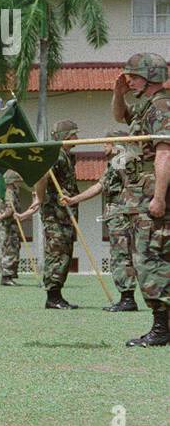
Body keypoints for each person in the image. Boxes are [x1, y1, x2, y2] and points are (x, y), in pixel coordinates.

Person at [111, 53, 170, 346]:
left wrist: (158, 198)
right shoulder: (146, 106)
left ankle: (161, 330)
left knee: (150, 261)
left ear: (149, 77)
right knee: (149, 259)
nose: (128, 79)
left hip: (151, 197)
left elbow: (164, 154)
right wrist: (118, 92)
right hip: (140, 196)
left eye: (133, 76)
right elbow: (119, 116)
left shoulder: (160, 107)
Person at [62, 127, 138, 312]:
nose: (103, 146)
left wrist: (129, 209)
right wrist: (74, 200)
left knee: (122, 256)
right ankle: (125, 297)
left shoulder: (121, 160)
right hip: (116, 215)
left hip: (122, 215)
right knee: (120, 255)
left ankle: (128, 299)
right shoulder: (114, 162)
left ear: (115, 144)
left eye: (106, 143)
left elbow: (130, 185)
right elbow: (100, 186)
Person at [19, 120, 80, 308]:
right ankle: (53, 297)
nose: (77, 138)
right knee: (57, 252)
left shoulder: (67, 156)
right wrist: (39, 197)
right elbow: (42, 175)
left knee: (65, 252)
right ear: (64, 137)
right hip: (55, 214)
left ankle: (56, 294)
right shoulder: (57, 156)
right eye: (73, 135)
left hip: (65, 214)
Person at [0, 170, 28, 285]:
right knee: (9, 250)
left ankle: (11, 273)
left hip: (12, 226)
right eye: (17, 181)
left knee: (13, 249)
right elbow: (9, 210)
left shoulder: (10, 192)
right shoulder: (9, 193)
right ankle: (6, 277)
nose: (19, 183)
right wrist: (3, 215)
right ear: (12, 182)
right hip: (8, 226)